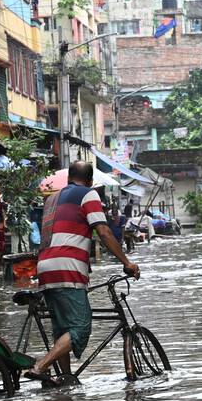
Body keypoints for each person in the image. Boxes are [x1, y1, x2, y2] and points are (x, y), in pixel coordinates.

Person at [28, 161, 139, 383]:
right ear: (90, 181)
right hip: (68, 268)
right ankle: (40, 365)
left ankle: (65, 379)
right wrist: (127, 262)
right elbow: (104, 232)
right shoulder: (88, 194)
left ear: (69, 177)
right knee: (80, 327)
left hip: (45, 267)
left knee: (62, 329)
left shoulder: (51, 199)